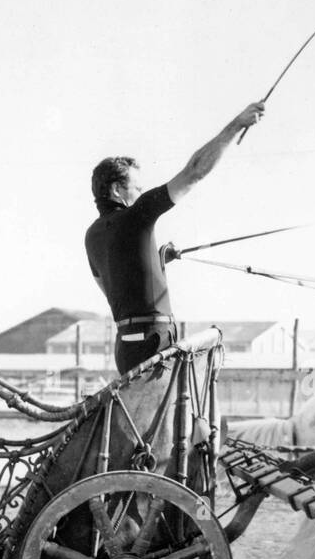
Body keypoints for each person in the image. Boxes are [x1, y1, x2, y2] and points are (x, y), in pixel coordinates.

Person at [86, 101, 265, 374]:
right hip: (155, 341)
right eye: (137, 188)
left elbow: (116, 290)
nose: (140, 193)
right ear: (117, 190)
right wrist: (237, 124)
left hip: (125, 347)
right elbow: (194, 172)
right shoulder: (137, 216)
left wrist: (156, 261)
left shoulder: (92, 236)